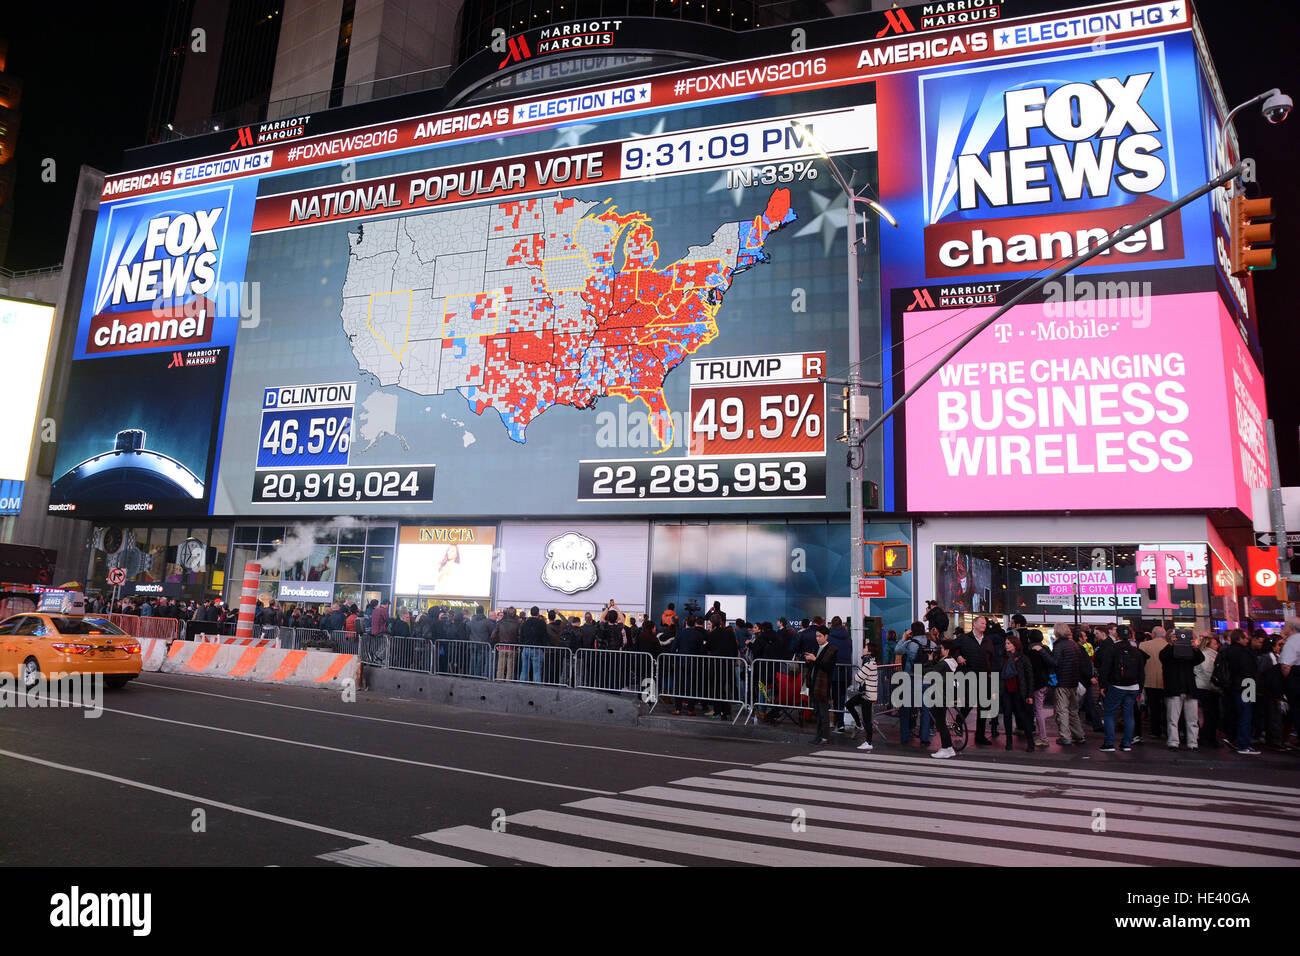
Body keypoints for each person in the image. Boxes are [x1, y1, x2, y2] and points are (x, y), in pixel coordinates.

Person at [1099, 625, 1147, 752]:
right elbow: (1141, 672)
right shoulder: (1136, 651)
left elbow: (1105, 669)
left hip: (1116, 685)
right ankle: (1126, 743)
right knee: (1129, 714)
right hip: (1133, 687)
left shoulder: (1112, 649)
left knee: (1110, 713)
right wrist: (1140, 689)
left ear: (1117, 635)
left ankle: (1109, 743)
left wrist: (1103, 685)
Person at [1160, 629, 1204, 750]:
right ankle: (1176, 742)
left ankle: (1191, 742)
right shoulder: (1168, 652)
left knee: (1189, 719)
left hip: (1184, 688)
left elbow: (1200, 658)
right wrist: (1171, 645)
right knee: (1175, 718)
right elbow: (1163, 656)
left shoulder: (1188, 652)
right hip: (1179, 688)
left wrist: (1194, 647)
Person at [1220, 628, 1258, 754]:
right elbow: (1248, 671)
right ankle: (1244, 744)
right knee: (1246, 715)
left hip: (1231, 686)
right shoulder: (1244, 652)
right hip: (1246, 685)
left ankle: (1232, 738)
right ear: (1239, 638)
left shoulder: (1227, 651)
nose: (1247, 640)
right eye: (1245, 638)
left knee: (1235, 713)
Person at [896, 622, 934, 747]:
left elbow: (898, 650)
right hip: (926, 679)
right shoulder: (931, 643)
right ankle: (924, 738)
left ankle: (905, 736)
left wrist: (903, 638)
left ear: (912, 632)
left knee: (906, 708)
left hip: (911, 679)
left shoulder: (910, 643)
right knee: (925, 709)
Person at [1051, 622, 1087, 746]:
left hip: (1062, 682)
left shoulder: (1058, 645)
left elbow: (1055, 662)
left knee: (1062, 710)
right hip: (1074, 681)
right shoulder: (1074, 645)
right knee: (1073, 710)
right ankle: (1079, 735)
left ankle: (1065, 737)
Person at [803, 627, 838, 744]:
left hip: (823, 685)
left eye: (820, 636)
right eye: (816, 636)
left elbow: (827, 667)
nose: (817, 638)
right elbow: (812, 665)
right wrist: (808, 660)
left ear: (826, 636)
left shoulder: (832, 649)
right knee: (817, 712)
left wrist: (815, 659)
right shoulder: (816, 648)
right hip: (814, 683)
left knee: (823, 712)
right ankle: (818, 736)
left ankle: (825, 736)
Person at [1002, 633, 1036, 751]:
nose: (1006, 646)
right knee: (1007, 716)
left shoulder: (1023, 659)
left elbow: (1030, 677)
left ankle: (1030, 743)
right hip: (1007, 691)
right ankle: (1009, 742)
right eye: (1006, 643)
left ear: (1015, 645)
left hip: (1019, 692)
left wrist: (1029, 695)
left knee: (1023, 717)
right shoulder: (1004, 658)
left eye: (1008, 643)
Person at [928, 640, 961, 759]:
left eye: (940, 648)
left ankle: (946, 748)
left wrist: (930, 661)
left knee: (941, 723)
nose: (938, 650)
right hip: (947, 694)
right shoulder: (951, 662)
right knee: (941, 722)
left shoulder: (943, 664)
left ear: (947, 651)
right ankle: (948, 748)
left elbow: (930, 674)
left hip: (941, 695)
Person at [844, 642, 879, 750]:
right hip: (866, 694)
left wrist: (860, 673)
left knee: (867, 719)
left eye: (865, 647)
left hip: (867, 695)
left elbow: (858, 678)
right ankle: (859, 724)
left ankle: (868, 742)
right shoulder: (872, 663)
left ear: (869, 651)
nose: (863, 648)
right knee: (849, 704)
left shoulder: (869, 665)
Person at [1026, 634, 1058, 748]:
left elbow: (1032, 670)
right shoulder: (1046, 649)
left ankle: (1043, 737)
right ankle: (1042, 736)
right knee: (1039, 709)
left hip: (1037, 684)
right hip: (1046, 682)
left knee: (1038, 710)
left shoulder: (1032, 652)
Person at [1139, 627, 1169, 742]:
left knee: (1153, 707)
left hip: (1149, 680)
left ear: (1153, 634)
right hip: (1166, 680)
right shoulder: (1168, 646)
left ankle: (1155, 730)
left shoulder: (1143, 645)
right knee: (1167, 707)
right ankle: (1166, 729)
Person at [1193, 633, 1221, 748]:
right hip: (1206, 688)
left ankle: (1205, 736)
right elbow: (1208, 674)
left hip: (1201, 687)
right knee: (1210, 714)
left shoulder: (1204, 655)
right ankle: (1208, 738)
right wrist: (1217, 687)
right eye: (1215, 643)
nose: (1217, 645)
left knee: (1206, 714)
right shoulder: (1209, 656)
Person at [826, 617, 852, 732]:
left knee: (834, 699)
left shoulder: (830, 637)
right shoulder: (848, 637)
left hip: (834, 671)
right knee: (841, 698)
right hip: (846, 672)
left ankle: (839, 723)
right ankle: (839, 723)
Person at [491, 607, 521, 680]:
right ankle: (508, 681)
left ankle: (499, 680)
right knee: (510, 668)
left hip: (502, 647)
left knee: (500, 667)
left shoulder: (501, 623)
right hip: (512, 647)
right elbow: (520, 636)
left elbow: (493, 635)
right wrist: (518, 646)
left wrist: (497, 643)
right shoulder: (517, 624)